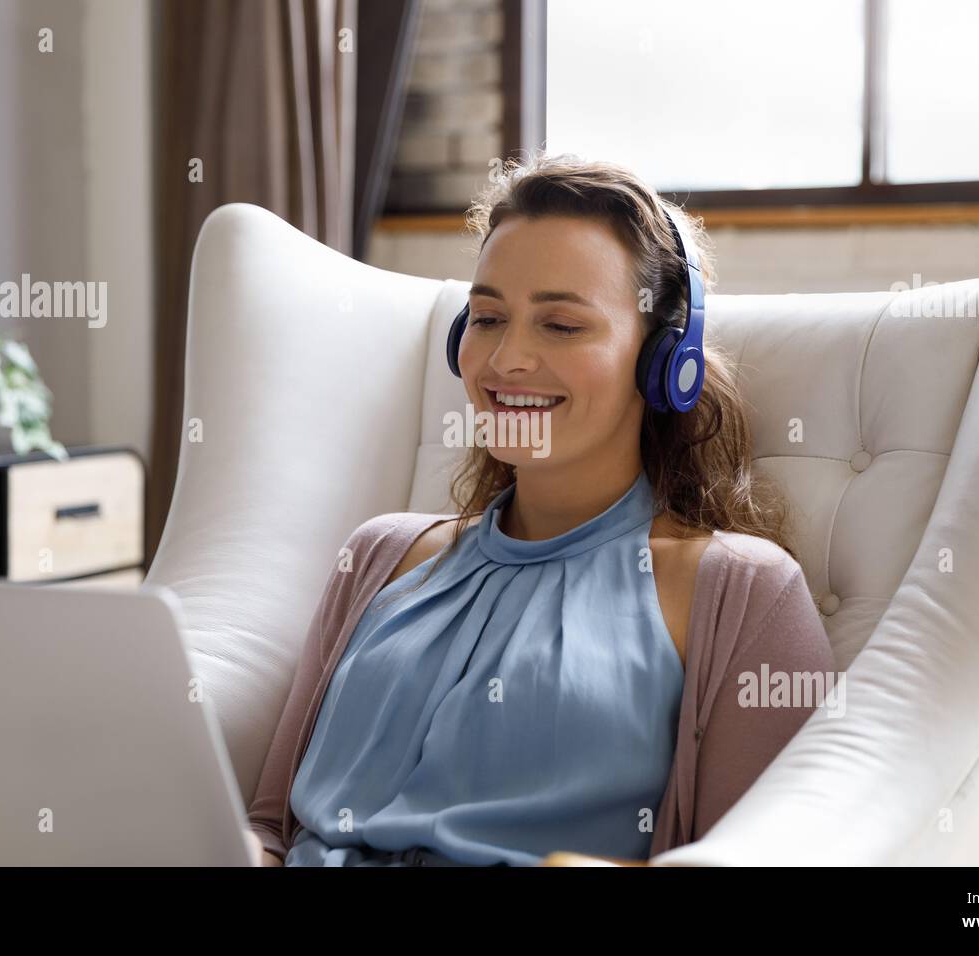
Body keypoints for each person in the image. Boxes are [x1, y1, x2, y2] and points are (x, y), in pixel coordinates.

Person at [248, 151, 834, 867]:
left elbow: (773, 857)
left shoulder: (740, 591)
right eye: (489, 317)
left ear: (662, 358)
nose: (506, 361)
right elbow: (270, 825)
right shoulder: (379, 556)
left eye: (560, 325)